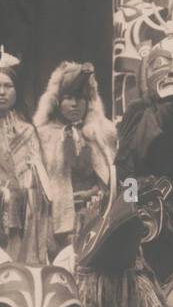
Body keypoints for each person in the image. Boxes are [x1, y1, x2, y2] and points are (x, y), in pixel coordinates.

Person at [33, 60, 116, 251]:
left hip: (96, 216)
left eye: (81, 98)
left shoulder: (102, 133)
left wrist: (96, 193)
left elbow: (113, 177)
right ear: (56, 102)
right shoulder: (41, 135)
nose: (74, 104)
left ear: (89, 102)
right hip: (55, 222)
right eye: (68, 98)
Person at [0, 47, 55, 264]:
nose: (2, 92)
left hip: (26, 210)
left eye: (8, 86)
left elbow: (39, 173)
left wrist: (25, 190)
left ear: (17, 91)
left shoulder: (27, 130)